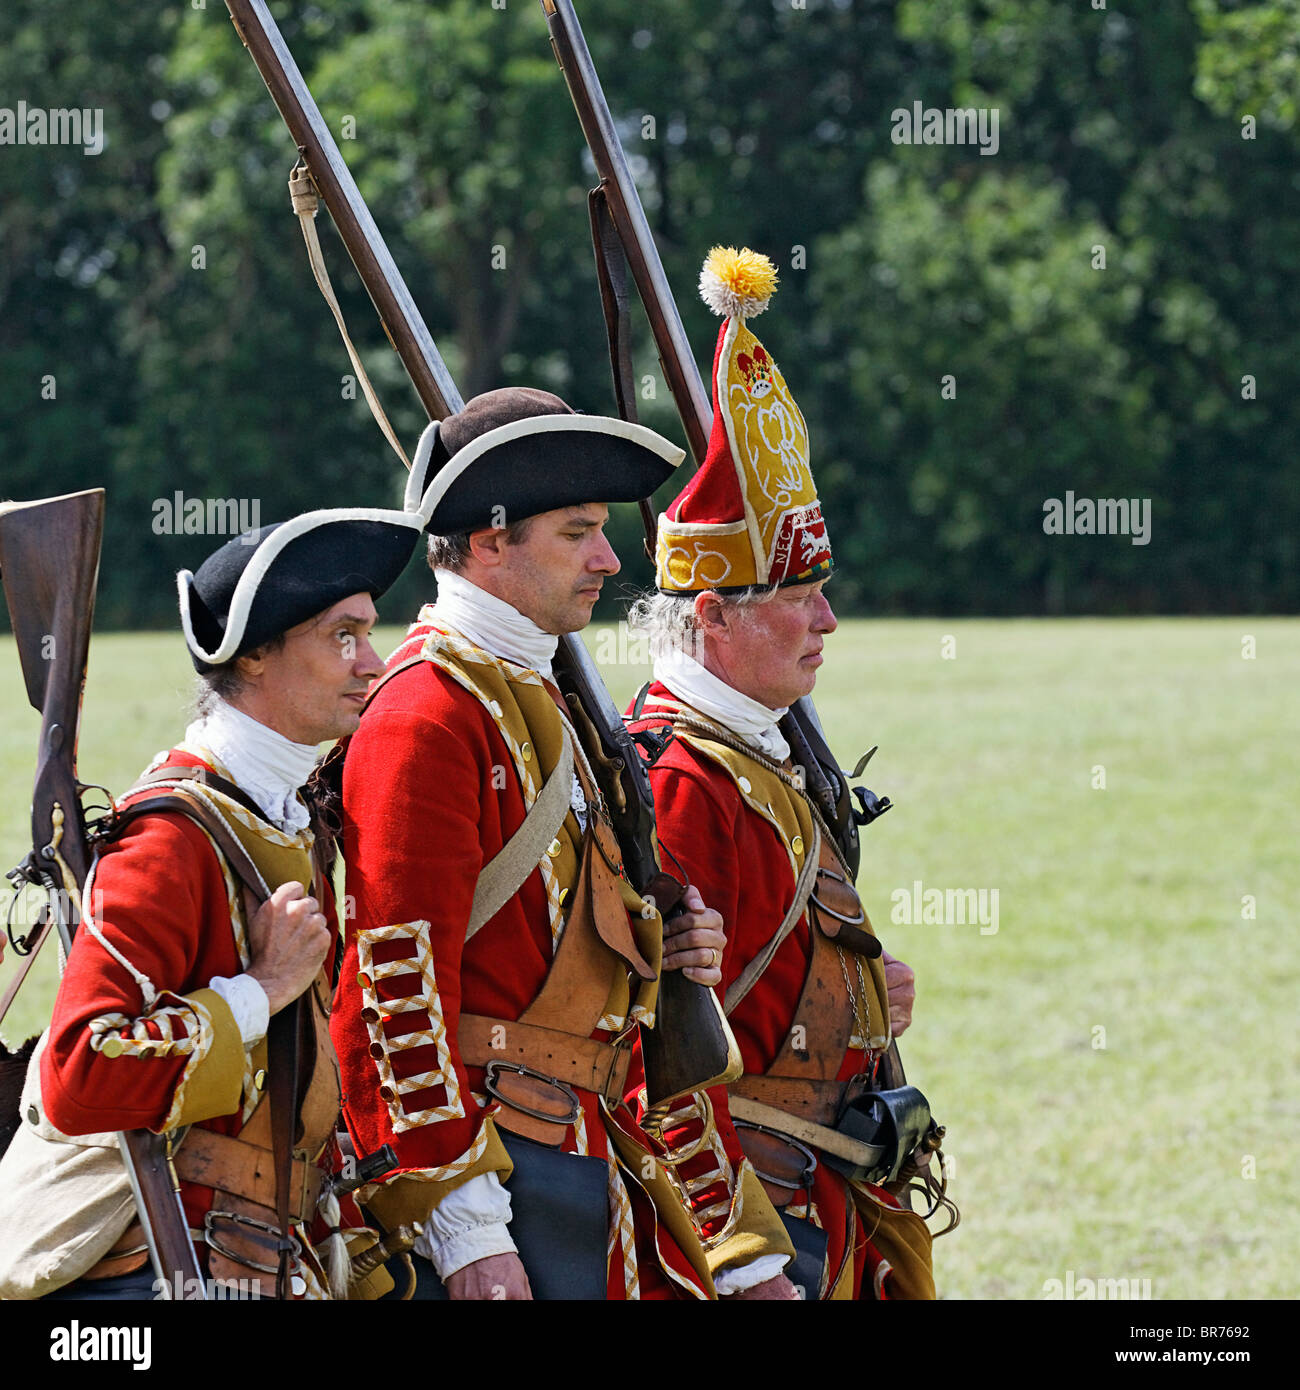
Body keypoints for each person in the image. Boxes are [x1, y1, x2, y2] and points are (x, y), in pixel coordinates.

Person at [330, 388, 796, 1299]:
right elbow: (395, 988)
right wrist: (464, 1230)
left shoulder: (547, 703)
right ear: (491, 541)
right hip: (499, 1173)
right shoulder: (428, 713)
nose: (608, 558)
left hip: (592, 1153)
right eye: (576, 531)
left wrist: (665, 937)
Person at [0, 501, 430, 1300]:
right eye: (344, 636)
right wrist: (258, 993)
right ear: (257, 655)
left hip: (256, 1243)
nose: (374, 661)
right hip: (141, 1264)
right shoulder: (172, 839)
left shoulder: (284, 815)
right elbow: (79, 1077)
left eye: (369, 633)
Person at [625, 247, 941, 1300]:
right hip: (758, 1209)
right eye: (796, 595)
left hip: (830, 1184)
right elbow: (660, 1060)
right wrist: (743, 1253)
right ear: (709, 614)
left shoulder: (756, 745)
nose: (827, 619)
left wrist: (860, 995)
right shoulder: (677, 778)